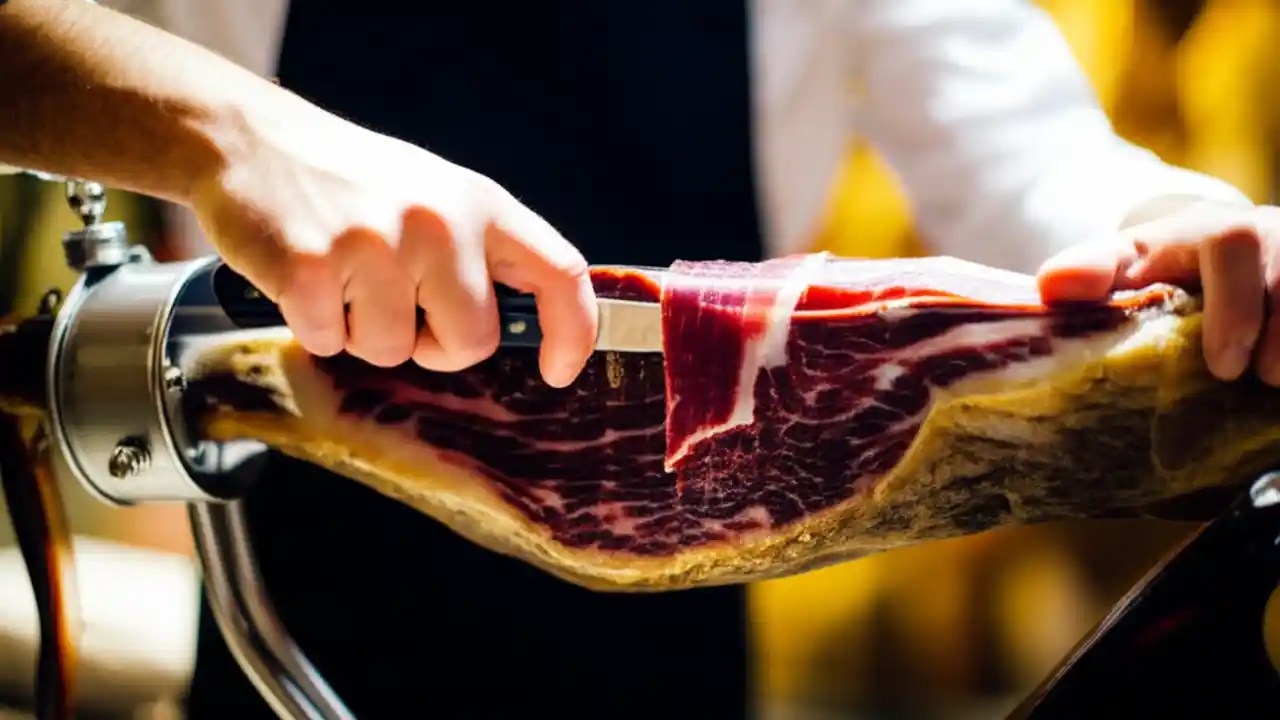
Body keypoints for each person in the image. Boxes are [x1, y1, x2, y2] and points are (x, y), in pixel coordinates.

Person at [2, 0, 1278, 717]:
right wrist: (231, 132)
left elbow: (1032, 166)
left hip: (677, 644)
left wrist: (1173, 231)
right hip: (285, 619)